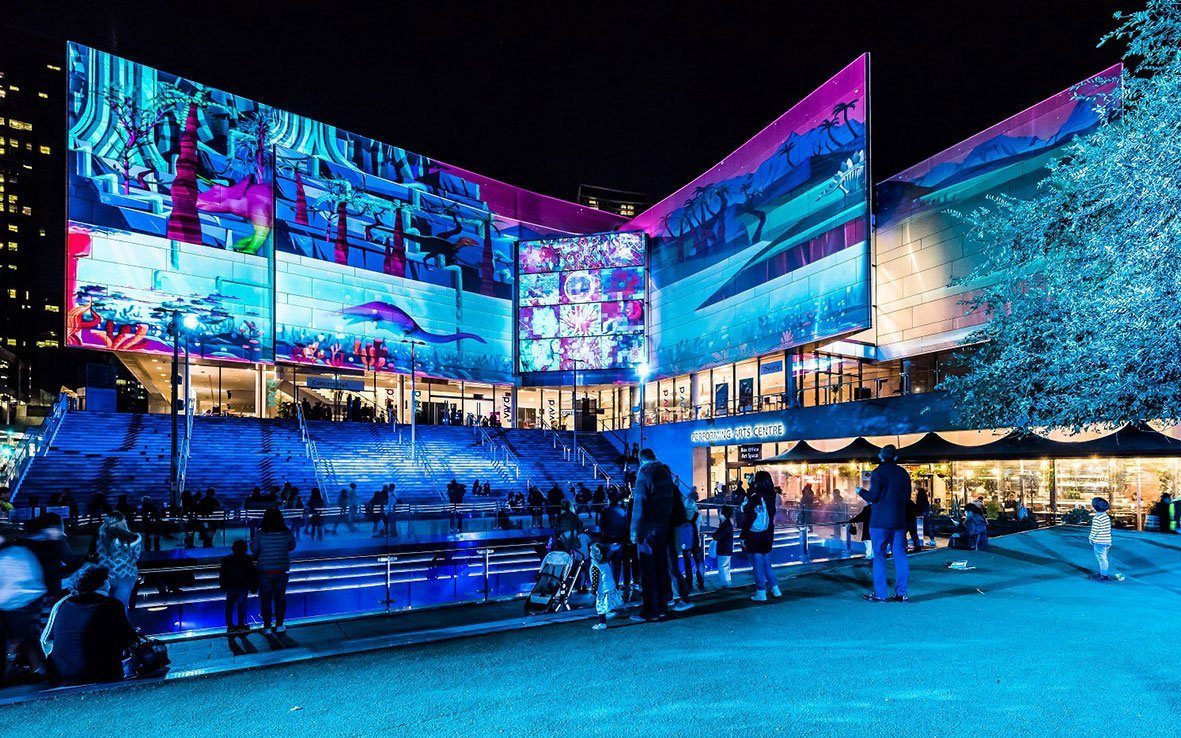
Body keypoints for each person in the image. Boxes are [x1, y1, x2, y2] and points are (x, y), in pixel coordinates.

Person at [42, 564, 136, 684]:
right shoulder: (113, 605)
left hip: (61, 675)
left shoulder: (62, 605)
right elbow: (128, 639)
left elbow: (47, 640)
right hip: (101, 674)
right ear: (104, 583)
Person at [858, 444, 912, 603]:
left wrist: (860, 491)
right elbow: (907, 497)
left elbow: (873, 497)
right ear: (896, 457)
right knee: (900, 556)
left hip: (880, 521)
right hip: (899, 521)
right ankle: (902, 593)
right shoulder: (903, 473)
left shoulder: (878, 472)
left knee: (879, 556)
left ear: (881, 457)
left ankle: (880, 594)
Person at [629, 448, 677, 622]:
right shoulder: (664, 472)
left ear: (640, 460)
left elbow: (639, 504)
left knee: (647, 568)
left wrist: (634, 530)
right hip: (663, 526)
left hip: (648, 528)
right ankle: (662, 607)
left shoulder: (644, 473)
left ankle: (651, 610)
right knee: (661, 567)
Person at [0, 530, 47, 684]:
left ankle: (38, 668)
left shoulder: (9, 556)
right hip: (23, 601)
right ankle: (39, 668)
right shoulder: (21, 552)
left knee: (24, 638)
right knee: (26, 638)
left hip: (14, 602)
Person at [251, 507, 296, 634]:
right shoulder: (286, 532)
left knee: (266, 600)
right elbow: (292, 546)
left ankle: (267, 627)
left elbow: (254, 550)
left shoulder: (260, 534)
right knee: (280, 599)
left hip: (264, 572)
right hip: (281, 571)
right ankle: (279, 625)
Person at [743, 470, 780, 602]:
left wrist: (743, 536)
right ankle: (775, 588)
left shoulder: (756, 497)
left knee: (757, 564)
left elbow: (747, 513)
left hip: (756, 535)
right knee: (767, 562)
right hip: (768, 534)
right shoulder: (772, 495)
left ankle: (761, 591)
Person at [95, 511, 143, 609]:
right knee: (121, 607)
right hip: (126, 575)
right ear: (123, 522)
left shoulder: (101, 538)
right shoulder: (133, 538)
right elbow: (136, 557)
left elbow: (98, 555)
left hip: (105, 577)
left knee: (105, 608)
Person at [219, 539, 257, 634]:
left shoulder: (226, 559)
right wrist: (253, 586)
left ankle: (230, 626)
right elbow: (251, 573)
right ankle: (241, 625)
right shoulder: (247, 559)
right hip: (243, 586)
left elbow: (222, 574)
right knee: (242, 605)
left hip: (231, 585)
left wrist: (223, 585)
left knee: (229, 606)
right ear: (245, 549)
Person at [588, 542, 622, 630]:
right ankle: (610, 612)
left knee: (600, 606)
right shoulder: (606, 563)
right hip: (610, 586)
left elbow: (595, 581)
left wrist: (593, 591)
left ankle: (602, 623)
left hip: (602, 590)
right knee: (610, 601)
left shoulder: (595, 567)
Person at [1088, 496, 1113, 582]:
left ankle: (1103, 575)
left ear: (1095, 507)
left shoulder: (1097, 518)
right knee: (1104, 557)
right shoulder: (1106, 517)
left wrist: (1090, 538)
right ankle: (1102, 572)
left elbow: (1094, 531)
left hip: (1099, 541)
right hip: (1107, 541)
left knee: (1101, 559)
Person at [712, 505, 734, 588]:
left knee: (723, 568)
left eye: (720, 511)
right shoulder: (726, 523)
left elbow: (717, 536)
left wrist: (714, 535)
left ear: (723, 514)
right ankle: (727, 584)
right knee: (725, 567)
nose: (719, 513)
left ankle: (726, 585)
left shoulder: (726, 525)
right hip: (726, 549)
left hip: (724, 549)